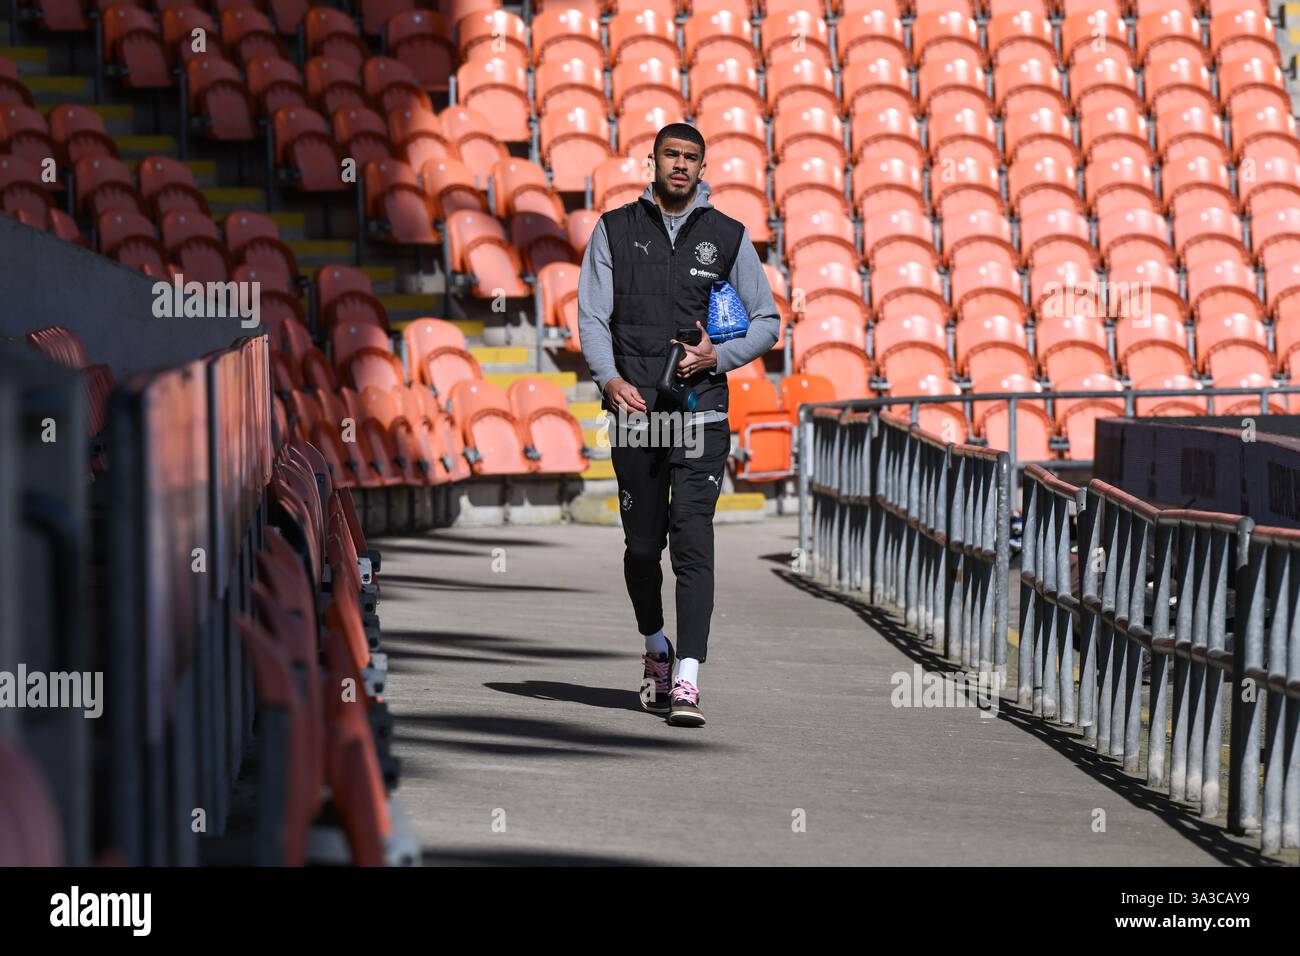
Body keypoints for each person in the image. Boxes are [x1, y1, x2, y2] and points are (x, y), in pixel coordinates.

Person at [577, 123, 780, 727]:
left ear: (701, 166)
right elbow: (591, 316)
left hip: (700, 416)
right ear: (653, 161)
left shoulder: (729, 236)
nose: (681, 166)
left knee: (693, 538)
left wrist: (718, 356)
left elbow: (767, 322)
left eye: (692, 158)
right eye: (672, 155)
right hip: (637, 415)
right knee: (643, 546)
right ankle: (656, 647)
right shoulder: (614, 230)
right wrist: (609, 380)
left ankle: (688, 676)